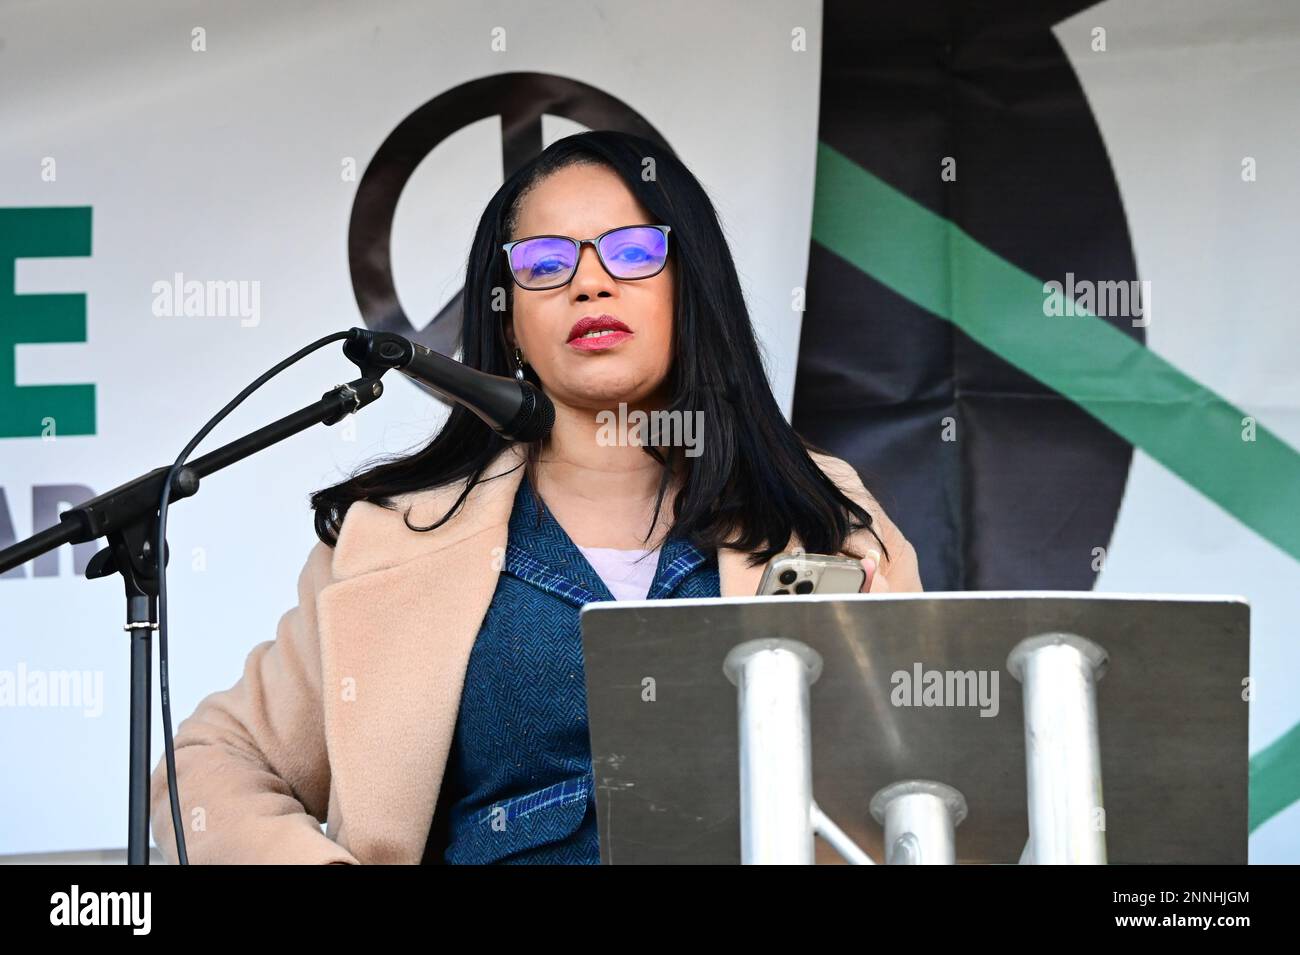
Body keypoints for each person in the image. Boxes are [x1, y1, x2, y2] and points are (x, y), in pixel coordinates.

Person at [147, 130, 923, 865]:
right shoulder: (396, 537)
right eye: (545, 263)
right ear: (509, 319)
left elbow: (921, 773)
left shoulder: (821, 514)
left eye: (632, 251)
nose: (590, 281)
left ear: (690, 289)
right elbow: (208, 763)